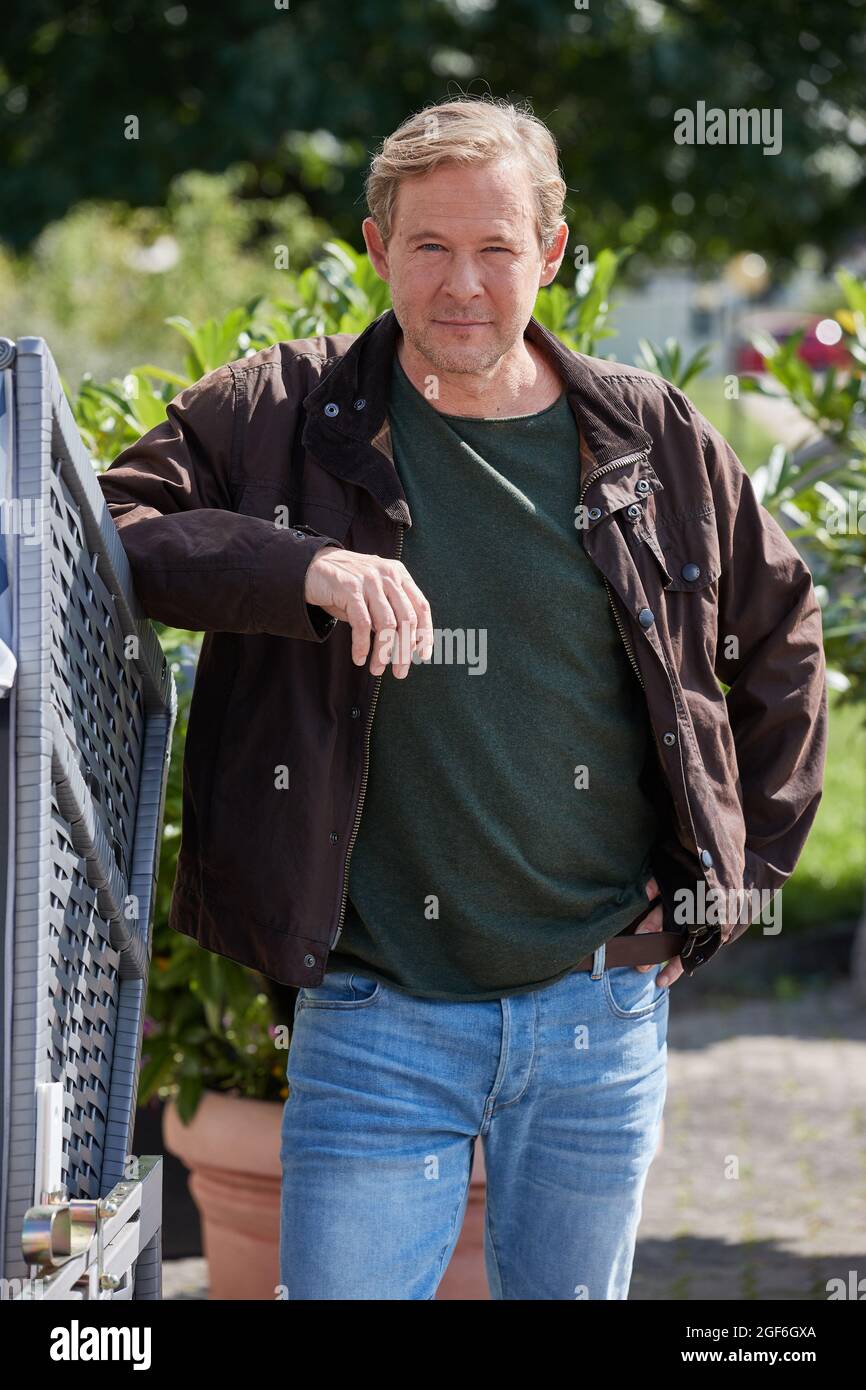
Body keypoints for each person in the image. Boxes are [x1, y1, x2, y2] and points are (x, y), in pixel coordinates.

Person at [97, 96, 828, 1299]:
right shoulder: (276, 414)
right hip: (375, 1016)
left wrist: (734, 878)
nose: (463, 285)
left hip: (598, 1009)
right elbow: (112, 529)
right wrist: (303, 567)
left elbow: (780, 636)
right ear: (375, 247)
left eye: (496, 246)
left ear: (550, 250)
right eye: (428, 246)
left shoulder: (648, 437)